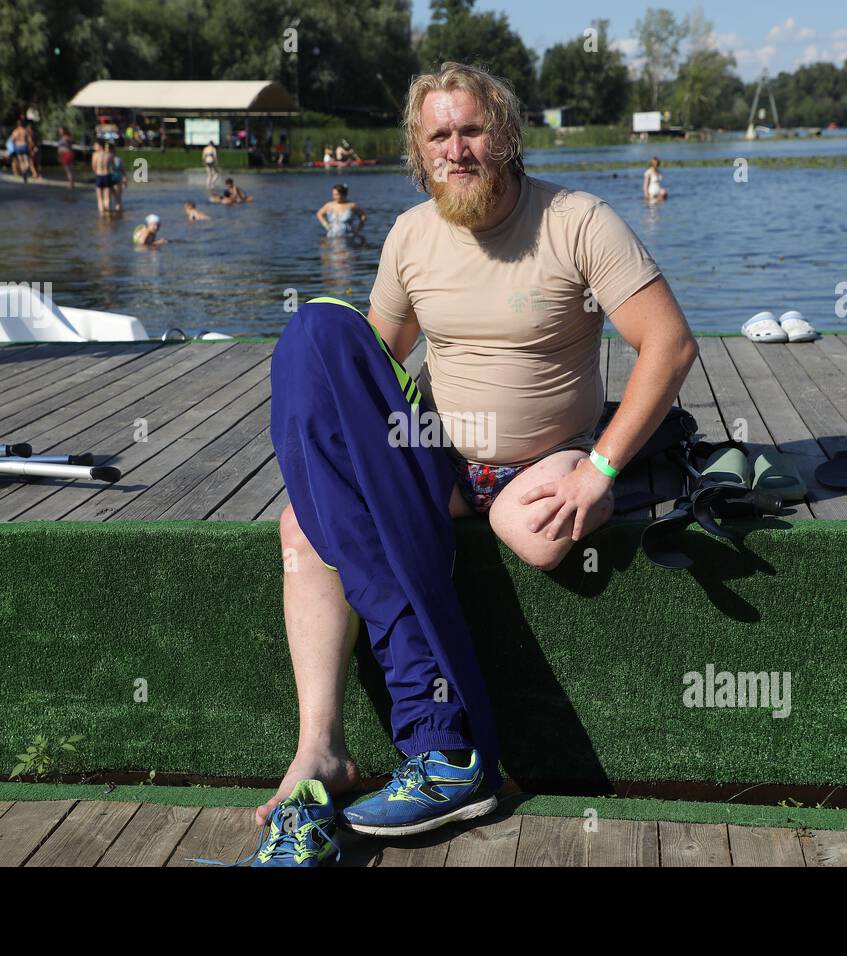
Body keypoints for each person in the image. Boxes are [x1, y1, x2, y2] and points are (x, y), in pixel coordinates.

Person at [258, 61, 697, 856]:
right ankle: (320, 745)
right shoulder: (411, 236)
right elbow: (373, 368)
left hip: (543, 458)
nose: (456, 149)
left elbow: (668, 344)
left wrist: (601, 467)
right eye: (439, 136)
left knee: (535, 534)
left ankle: (448, 742)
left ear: (504, 134)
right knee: (303, 523)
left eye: (471, 130)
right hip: (436, 451)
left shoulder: (577, 219)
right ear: (419, 152)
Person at [91, 139, 114, 214]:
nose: (94, 147)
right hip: (107, 176)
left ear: (100, 146)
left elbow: (94, 166)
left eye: (95, 145)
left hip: (99, 176)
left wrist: (96, 172)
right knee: (107, 198)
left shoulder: (95, 154)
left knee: (100, 199)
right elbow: (112, 165)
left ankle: (102, 215)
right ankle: (107, 214)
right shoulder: (109, 155)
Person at [108, 142, 126, 212]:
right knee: (118, 199)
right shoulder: (118, 158)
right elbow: (123, 170)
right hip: (117, 178)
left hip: (108, 177)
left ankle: (108, 216)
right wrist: (125, 179)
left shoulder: (106, 157)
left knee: (108, 198)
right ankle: (119, 214)